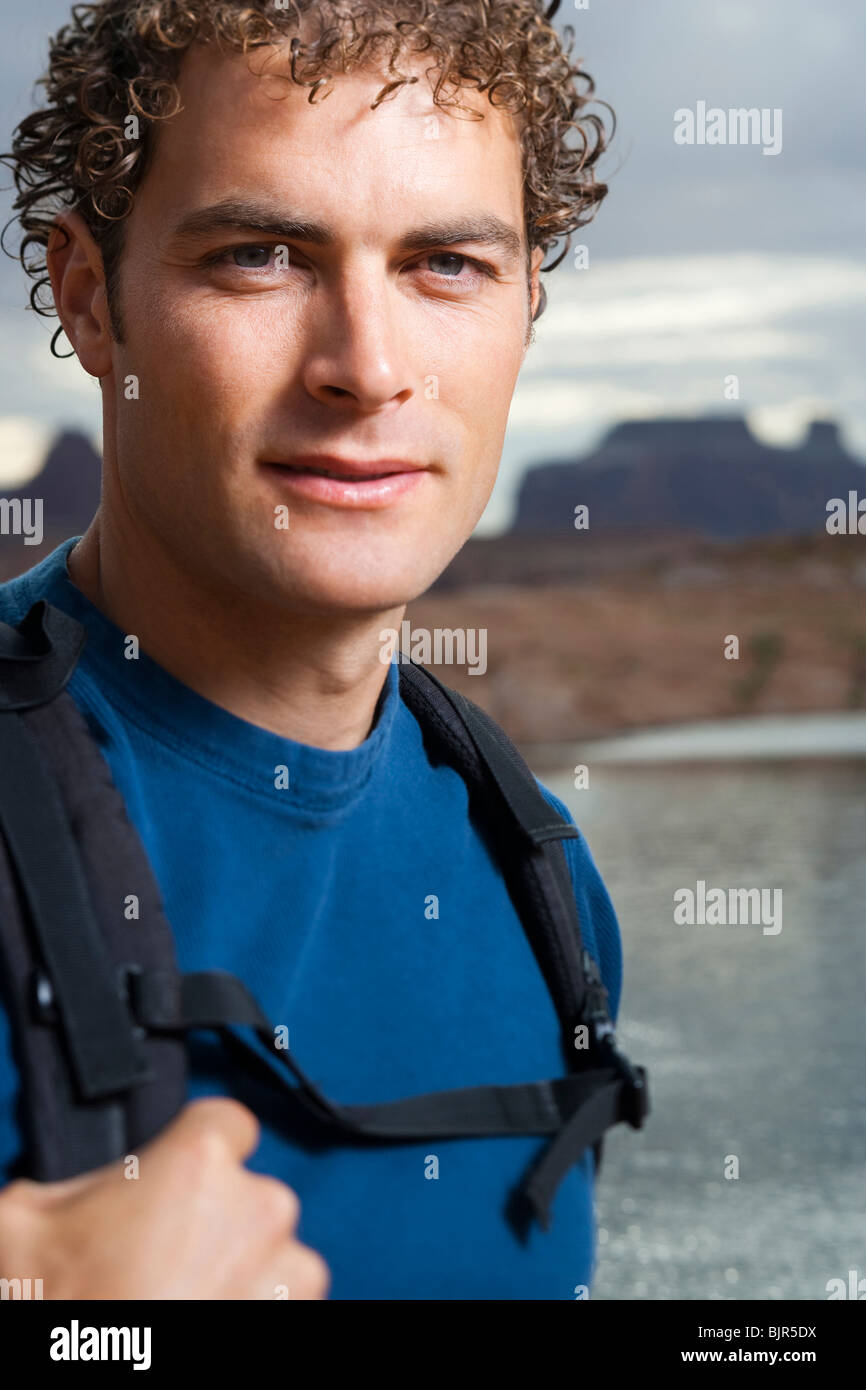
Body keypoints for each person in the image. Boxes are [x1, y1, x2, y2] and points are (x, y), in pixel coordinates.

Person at [0, 0, 623, 1299]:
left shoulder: (543, 885)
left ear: (523, 311)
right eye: (264, 255)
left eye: (445, 263)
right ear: (89, 302)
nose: (367, 365)